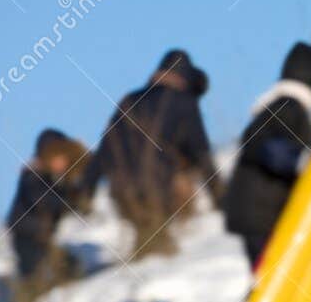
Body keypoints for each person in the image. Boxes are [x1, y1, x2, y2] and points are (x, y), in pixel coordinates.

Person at [90, 48, 224, 258]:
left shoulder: (128, 101)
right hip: (159, 190)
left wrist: (85, 192)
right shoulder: (183, 102)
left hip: (121, 192)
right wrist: (221, 198)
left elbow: (103, 151)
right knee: (160, 251)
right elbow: (201, 153)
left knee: (148, 239)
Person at [224, 42, 311, 268]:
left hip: (255, 213)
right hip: (262, 215)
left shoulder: (278, 107)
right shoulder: (290, 109)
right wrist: (303, 162)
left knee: (270, 275)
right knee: (274, 275)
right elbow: (268, 147)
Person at [5, 129, 93, 302]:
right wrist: (70, 202)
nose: (61, 162)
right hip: (25, 234)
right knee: (32, 273)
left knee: (64, 266)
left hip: (42, 235)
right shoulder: (33, 175)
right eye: (56, 157)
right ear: (46, 157)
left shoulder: (58, 179)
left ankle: (58, 293)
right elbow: (44, 199)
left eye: (63, 157)